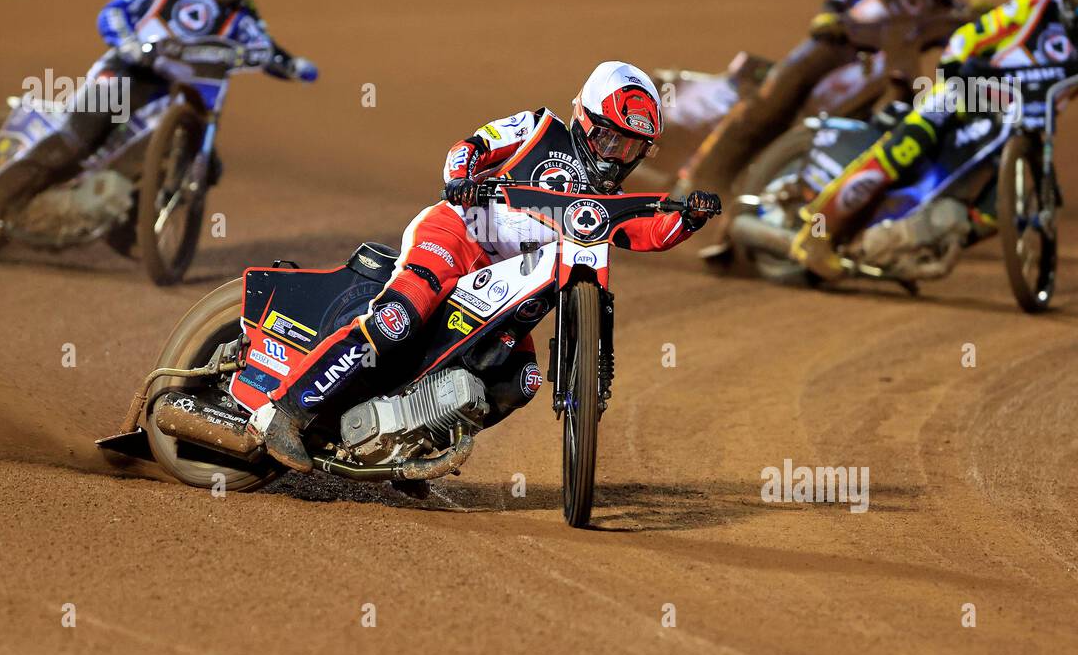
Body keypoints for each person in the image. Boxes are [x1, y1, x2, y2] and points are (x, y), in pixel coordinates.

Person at [247, 62, 723, 470]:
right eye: (608, 138)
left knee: (521, 382)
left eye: (630, 148)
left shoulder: (608, 202)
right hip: (456, 236)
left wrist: (692, 219)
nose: (615, 157)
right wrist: (460, 180)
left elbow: (649, 234)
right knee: (397, 320)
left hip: (502, 285)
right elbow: (471, 146)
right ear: (583, 117)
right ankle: (284, 414)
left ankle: (409, 446)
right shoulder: (538, 128)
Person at [791, 0, 1078, 278]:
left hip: (1020, 128)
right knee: (899, 152)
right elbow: (972, 36)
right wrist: (952, 73)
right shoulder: (1037, 5)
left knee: (998, 211)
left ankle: (914, 241)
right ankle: (816, 235)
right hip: (965, 96)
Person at [0, 0, 317, 236]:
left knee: (206, 167)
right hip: (129, 70)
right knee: (78, 136)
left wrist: (293, 65)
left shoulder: (243, 12)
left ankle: (131, 229)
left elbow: (265, 47)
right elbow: (114, 12)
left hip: (179, 94)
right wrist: (130, 44)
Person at [674, 0, 990, 204]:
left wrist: (981, 25)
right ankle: (697, 180)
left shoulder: (952, 14)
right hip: (835, 45)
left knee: (875, 129)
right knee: (769, 105)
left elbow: (962, 52)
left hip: (877, 77)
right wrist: (829, 16)